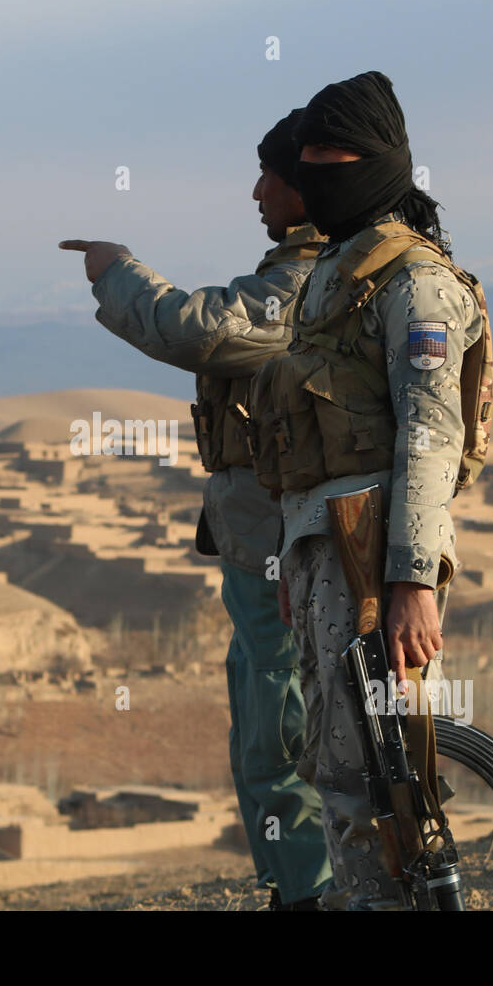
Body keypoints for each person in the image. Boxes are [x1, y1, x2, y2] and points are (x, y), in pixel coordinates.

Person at [58, 111, 331, 910]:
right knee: (270, 727)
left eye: (271, 178)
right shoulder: (317, 271)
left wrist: (117, 273)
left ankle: (310, 894)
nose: (256, 192)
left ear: (306, 188)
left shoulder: (310, 282)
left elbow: (198, 332)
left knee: (279, 738)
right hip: (263, 545)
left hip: (285, 549)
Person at [249, 71, 489, 910]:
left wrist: (413, 580)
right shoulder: (331, 275)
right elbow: (303, 443)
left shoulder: (413, 283)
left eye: (332, 153)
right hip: (324, 552)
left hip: (376, 553)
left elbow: (430, 435)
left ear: (380, 162)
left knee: (386, 781)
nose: (314, 168)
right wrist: (292, 556)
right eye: (305, 153)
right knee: (339, 776)